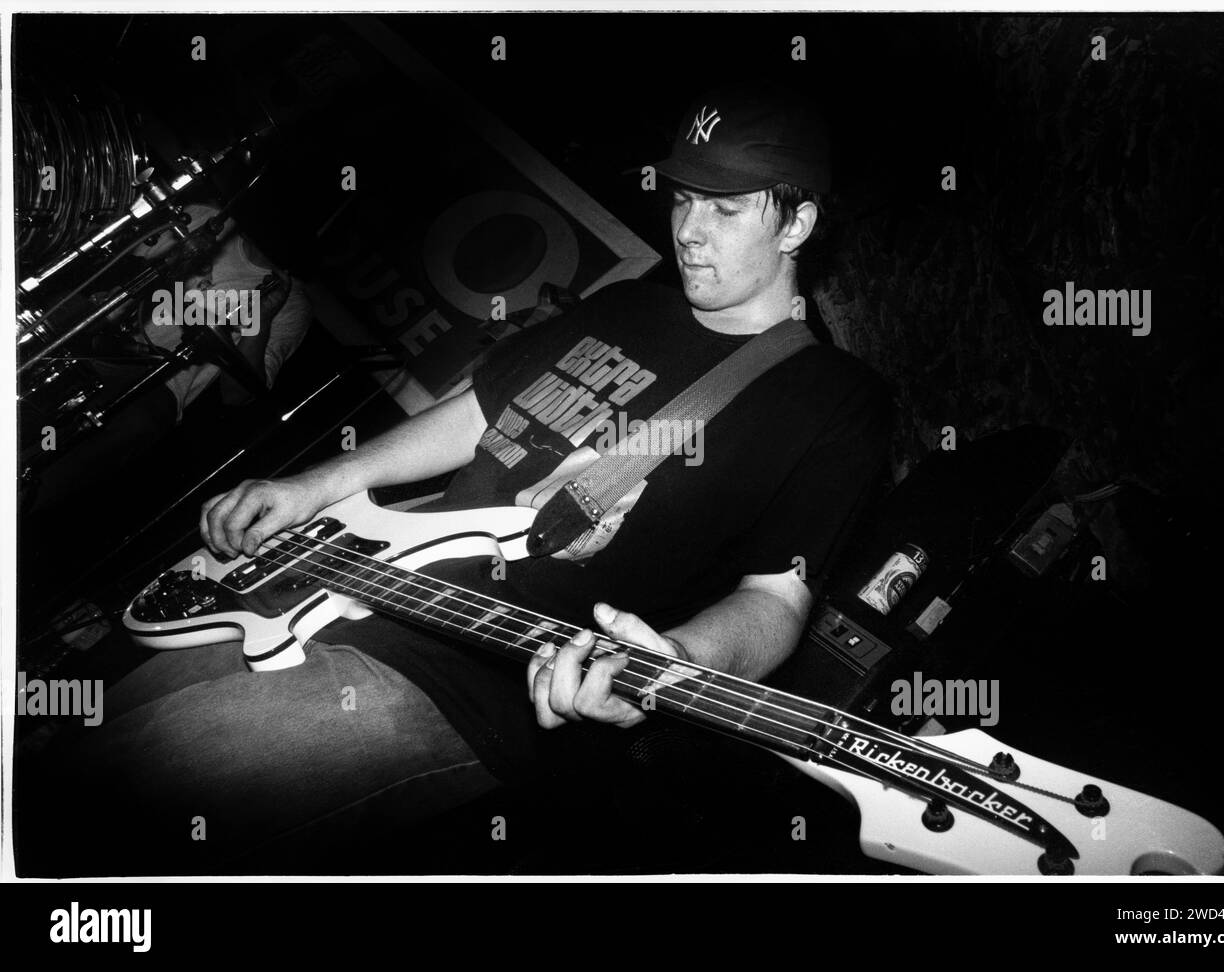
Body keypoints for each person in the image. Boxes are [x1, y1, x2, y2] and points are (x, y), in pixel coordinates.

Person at [18, 82, 893, 875]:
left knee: (120, 802)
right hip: (338, 578)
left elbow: (779, 601)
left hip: (459, 676)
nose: (689, 230)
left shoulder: (830, 397)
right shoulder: (634, 304)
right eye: (683, 197)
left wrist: (678, 662)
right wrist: (320, 487)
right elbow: (481, 409)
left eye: (727, 208)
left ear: (798, 224)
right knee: (67, 758)